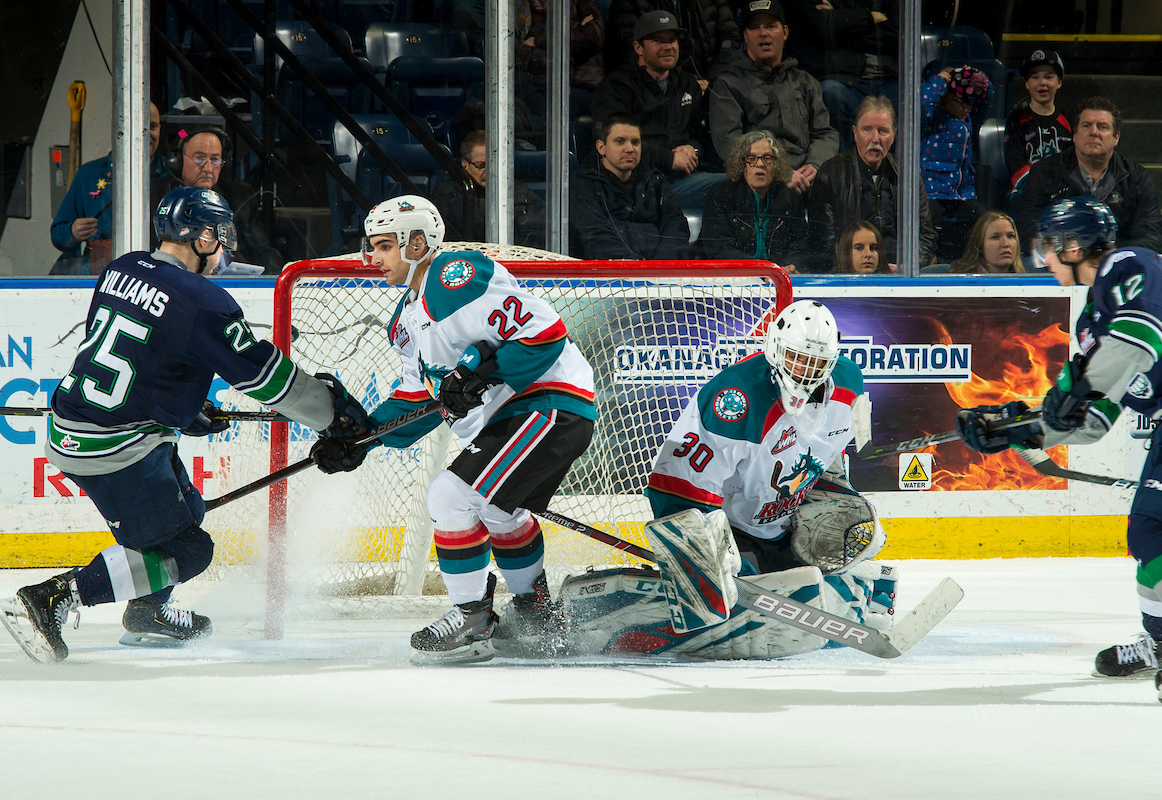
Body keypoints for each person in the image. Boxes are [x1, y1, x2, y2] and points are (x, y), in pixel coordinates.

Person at [0, 187, 370, 664]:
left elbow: (135, 349)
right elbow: (266, 379)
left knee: (186, 511)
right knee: (188, 550)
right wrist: (332, 414)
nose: (224, 249)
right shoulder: (204, 301)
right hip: (114, 446)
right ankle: (52, 599)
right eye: (220, 235)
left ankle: (149, 613)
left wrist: (177, 405)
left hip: (81, 423)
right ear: (203, 236)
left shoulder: (121, 268)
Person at [562, 300, 894, 659]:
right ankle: (629, 603)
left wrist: (836, 498)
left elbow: (831, 460)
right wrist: (708, 555)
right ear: (774, 348)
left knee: (856, 526)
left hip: (782, 520)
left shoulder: (849, 383)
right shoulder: (734, 400)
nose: (804, 371)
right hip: (729, 528)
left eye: (815, 363)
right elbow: (675, 488)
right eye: (797, 357)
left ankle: (782, 570)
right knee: (715, 598)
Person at [349, 195, 597, 664]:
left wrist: (484, 374)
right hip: (512, 417)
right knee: (499, 511)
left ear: (417, 242)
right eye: (372, 247)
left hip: (546, 403)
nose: (373, 258)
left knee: (450, 495)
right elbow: (417, 401)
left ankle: (472, 618)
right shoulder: (406, 321)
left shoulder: (453, 276)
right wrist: (360, 437)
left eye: (383, 246)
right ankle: (537, 611)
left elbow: (544, 333)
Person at [955, 196, 1162, 679]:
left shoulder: (1129, 264)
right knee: (1150, 532)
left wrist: (1079, 388)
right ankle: (1159, 641)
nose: (1043, 257)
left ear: (1075, 244)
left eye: (1049, 246)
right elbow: (1091, 419)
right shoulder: (1091, 322)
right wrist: (1015, 430)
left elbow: (1140, 339)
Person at [591, 10, 726, 211]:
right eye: (658, 41)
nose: (668, 47)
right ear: (638, 47)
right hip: (639, 185)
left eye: (672, 40)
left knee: (742, 184)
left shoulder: (687, 84)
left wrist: (693, 149)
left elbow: (702, 135)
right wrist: (669, 159)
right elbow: (616, 144)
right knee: (732, 190)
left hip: (685, 178)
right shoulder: (616, 87)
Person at [708, 0, 838, 194]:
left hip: (806, 179)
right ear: (745, 36)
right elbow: (729, 142)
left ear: (785, 33)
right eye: (754, 28)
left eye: (770, 26)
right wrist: (778, 173)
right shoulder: (727, 84)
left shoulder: (806, 82)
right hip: (757, 182)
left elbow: (825, 133)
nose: (763, 33)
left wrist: (815, 163)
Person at [1014, 97, 1162, 257]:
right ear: (1074, 135)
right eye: (1086, 126)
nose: (1094, 132)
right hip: (1059, 264)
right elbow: (1028, 232)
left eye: (1102, 127)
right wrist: (1073, 255)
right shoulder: (1044, 171)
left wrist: (1106, 254)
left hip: (1118, 264)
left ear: (1116, 137)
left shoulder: (1137, 178)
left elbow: (1151, 237)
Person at [807, 95, 936, 272]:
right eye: (867, 129)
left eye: (883, 131)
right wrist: (859, 268)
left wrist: (907, 268)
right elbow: (823, 241)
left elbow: (926, 235)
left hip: (899, 272)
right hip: (850, 273)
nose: (875, 139)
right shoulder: (831, 173)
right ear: (854, 132)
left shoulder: (908, 175)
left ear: (894, 134)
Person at [152, 126, 284, 273]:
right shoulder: (153, 196)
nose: (208, 168)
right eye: (199, 158)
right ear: (177, 161)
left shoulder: (240, 197)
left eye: (215, 160)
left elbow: (263, 251)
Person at [49, 102, 162, 275]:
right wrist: (73, 231)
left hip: (155, 275)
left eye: (152, 126)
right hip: (98, 276)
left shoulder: (170, 176)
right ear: (120, 130)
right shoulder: (89, 174)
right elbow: (57, 234)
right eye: (138, 126)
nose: (145, 134)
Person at [569, 113, 690, 259]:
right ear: (601, 148)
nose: (630, 149)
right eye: (620, 141)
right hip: (609, 278)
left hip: (660, 276)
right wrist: (637, 269)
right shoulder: (583, 184)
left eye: (635, 142)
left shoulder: (656, 181)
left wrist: (658, 269)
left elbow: (676, 227)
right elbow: (596, 238)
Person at [784, 0, 900, 150]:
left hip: (890, 78)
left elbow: (902, 32)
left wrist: (844, 30)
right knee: (832, 93)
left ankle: (892, 170)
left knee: (909, 100)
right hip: (846, 78)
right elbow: (822, 29)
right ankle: (841, 168)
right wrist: (872, 18)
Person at [693, 130, 807, 272]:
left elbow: (800, 246)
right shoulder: (720, 196)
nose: (760, 164)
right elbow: (719, 249)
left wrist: (791, 265)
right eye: (751, 158)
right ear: (742, 165)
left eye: (767, 158)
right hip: (733, 279)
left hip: (780, 277)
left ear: (776, 165)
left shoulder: (791, 199)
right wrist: (760, 269)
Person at [429, 130, 547, 248]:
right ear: (465, 165)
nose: (489, 171)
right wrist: (517, 212)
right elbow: (475, 222)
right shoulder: (447, 190)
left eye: (494, 164)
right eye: (481, 166)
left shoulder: (518, 188)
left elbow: (544, 218)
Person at [921, 64, 990, 262]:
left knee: (983, 220)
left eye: (970, 103)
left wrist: (976, 77)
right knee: (926, 221)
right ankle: (926, 260)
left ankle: (976, 262)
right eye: (961, 102)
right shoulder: (930, 118)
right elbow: (924, 102)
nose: (967, 108)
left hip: (961, 194)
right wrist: (941, 79)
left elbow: (988, 99)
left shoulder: (968, 119)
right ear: (944, 98)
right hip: (932, 192)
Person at [603, 0, 741, 88]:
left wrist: (711, 80)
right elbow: (632, 54)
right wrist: (687, 85)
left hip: (712, 84)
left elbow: (731, 42)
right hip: (658, 89)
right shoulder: (628, 4)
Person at [513, 0, 605, 119]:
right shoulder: (518, 6)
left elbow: (593, 38)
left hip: (581, 85)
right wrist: (569, 50)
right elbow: (512, 50)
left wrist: (538, 41)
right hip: (536, 83)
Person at [1004, 50, 1072, 194]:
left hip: (1062, 193)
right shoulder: (1016, 121)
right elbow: (1015, 162)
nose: (1042, 83)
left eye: (1049, 77)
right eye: (1035, 77)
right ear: (1027, 84)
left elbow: (1076, 163)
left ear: (1059, 82)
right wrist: (1038, 191)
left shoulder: (1069, 121)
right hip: (1025, 193)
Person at [949, 211, 1025, 274]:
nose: (1006, 244)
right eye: (995, 237)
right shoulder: (961, 282)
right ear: (980, 245)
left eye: (1010, 236)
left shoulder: (1026, 282)